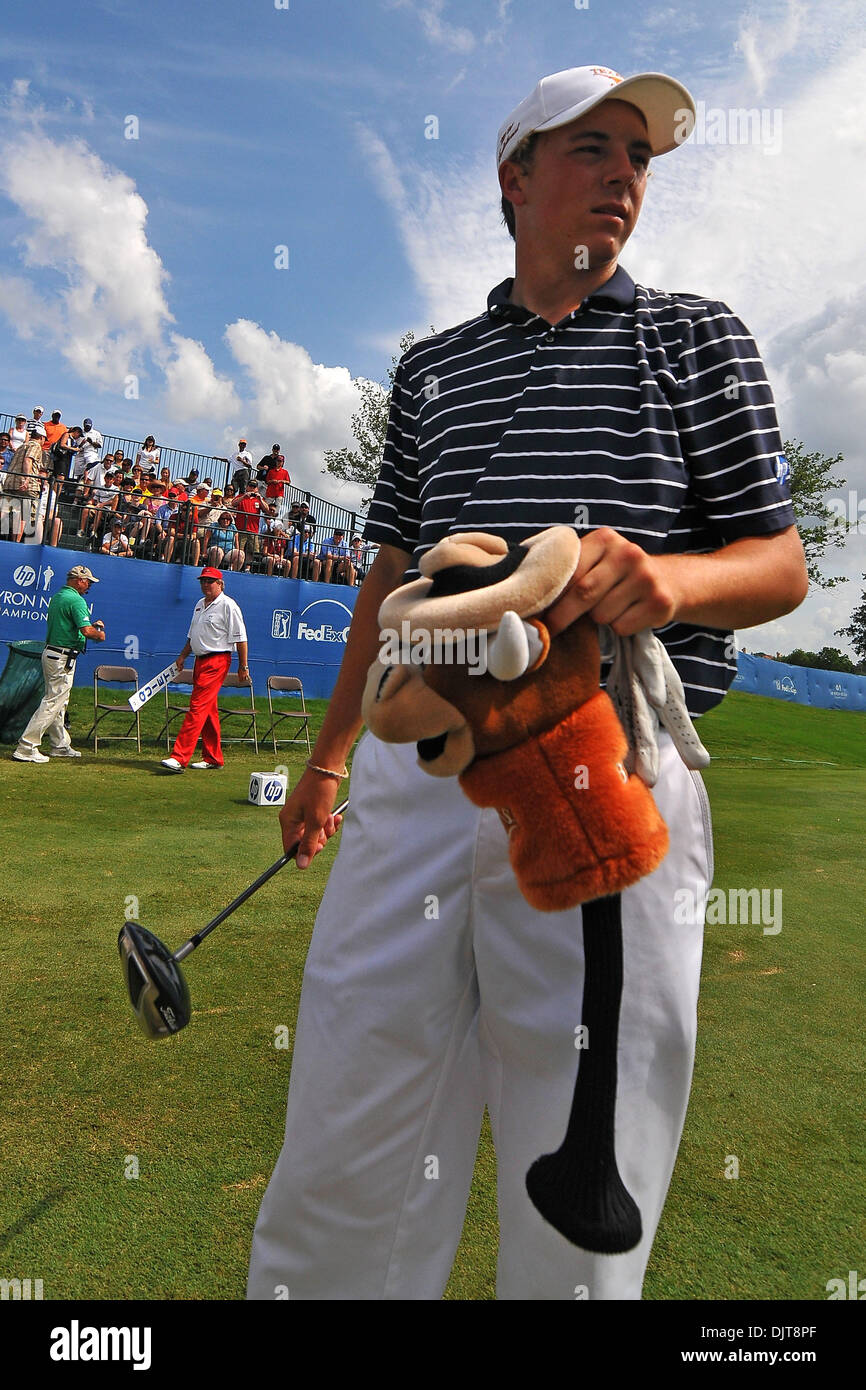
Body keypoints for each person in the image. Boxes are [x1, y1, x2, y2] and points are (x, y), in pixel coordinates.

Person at [246, 64, 809, 1302]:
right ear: (514, 178)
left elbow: (777, 564)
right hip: (418, 770)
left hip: (602, 759)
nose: (623, 175)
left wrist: (665, 581)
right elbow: (389, 572)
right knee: (351, 1107)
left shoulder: (695, 335)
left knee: (583, 1146)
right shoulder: (433, 368)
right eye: (592, 149)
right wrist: (333, 755)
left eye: (639, 158)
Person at [12, 565, 106, 763]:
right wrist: (100, 634)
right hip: (61, 658)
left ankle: (60, 745)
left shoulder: (58, 597)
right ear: (79, 580)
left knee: (58, 702)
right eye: (87, 581)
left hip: (54, 655)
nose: (89, 585)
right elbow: (87, 631)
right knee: (53, 702)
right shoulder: (76, 600)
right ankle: (26, 746)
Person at [161, 567, 249, 772]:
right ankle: (213, 757)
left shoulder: (229, 605)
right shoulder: (200, 605)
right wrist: (183, 656)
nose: (205, 584)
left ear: (220, 584)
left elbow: (241, 638)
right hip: (200, 661)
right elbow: (193, 636)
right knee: (208, 710)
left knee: (197, 707)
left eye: (210, 581)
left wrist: (243, 665)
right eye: (203, 581)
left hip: (217, 660)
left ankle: (179, 757)